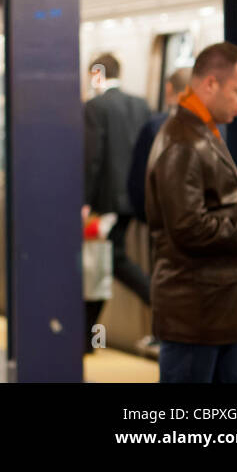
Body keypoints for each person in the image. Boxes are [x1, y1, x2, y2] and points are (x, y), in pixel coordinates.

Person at [147, 42, 237, 383]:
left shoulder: (201, 133)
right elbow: (189, 227)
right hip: (197, 314)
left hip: (218, 309)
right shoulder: (183, 144)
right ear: (210, 84)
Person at [82, 53, 152, 341]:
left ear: (97, 74)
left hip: (107, 203)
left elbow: (93, 157)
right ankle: (85, 337)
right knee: (104, 262)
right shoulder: (141, 105)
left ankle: (160, 302)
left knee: (112, 260)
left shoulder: (95, 107)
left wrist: (84, 200)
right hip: (137, 199)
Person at [127, 67, 193, 226]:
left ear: (169, 88)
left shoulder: (155, 127)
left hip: (161, 222)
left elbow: (138, 182)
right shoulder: (213, 128)